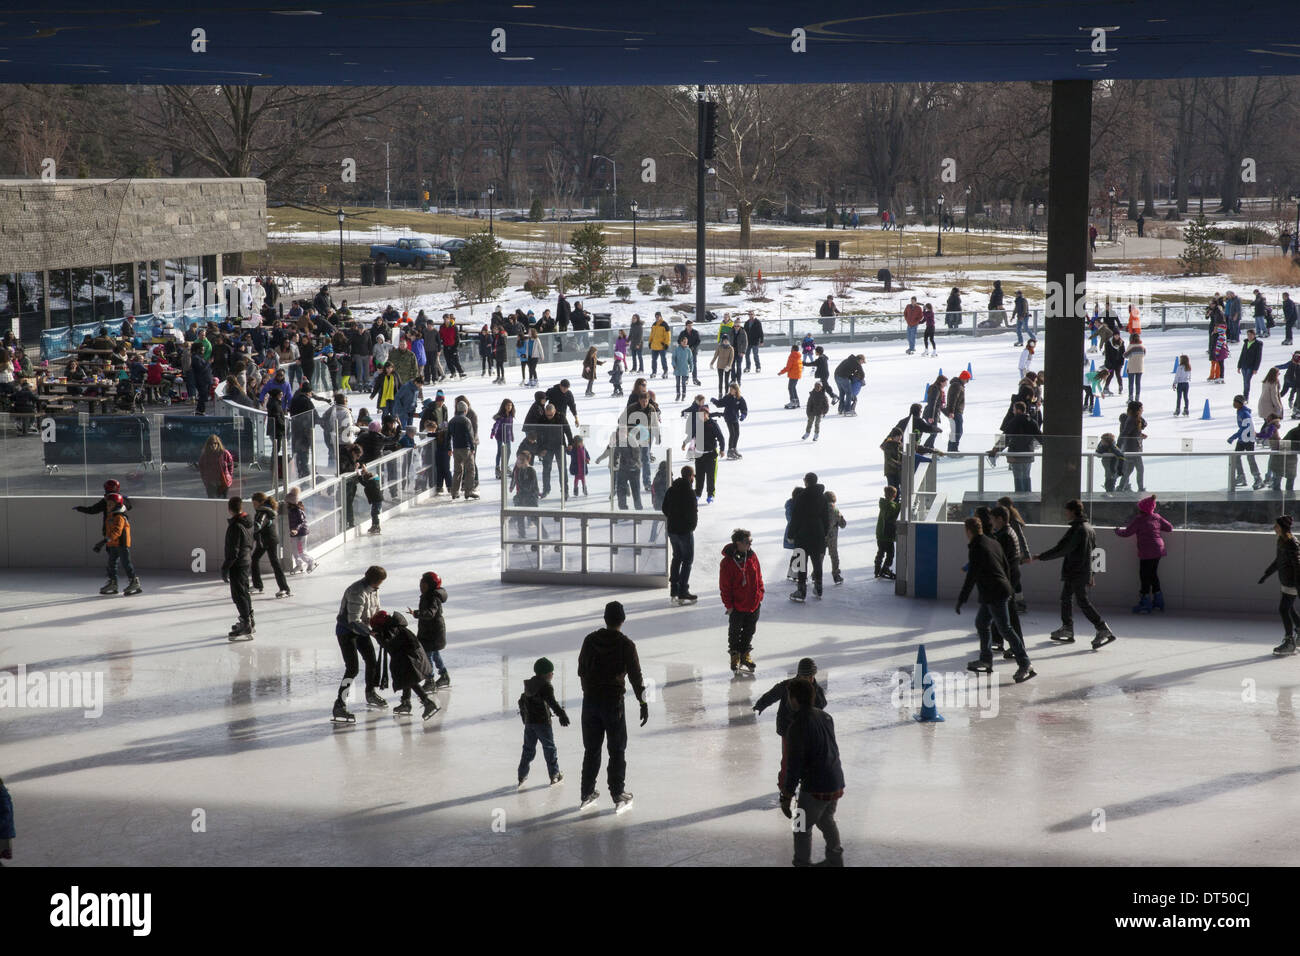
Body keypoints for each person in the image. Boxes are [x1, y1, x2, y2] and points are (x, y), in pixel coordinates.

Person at [576, 601, 648, 812]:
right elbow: (636, 677)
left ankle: (587, 791)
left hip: (590, 702)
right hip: (613, 704)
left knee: (591, 749)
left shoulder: (589, 641)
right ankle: (618, 794)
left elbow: (581, 670)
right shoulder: (626, 645)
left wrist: (589, 692)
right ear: (622, 620)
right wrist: (643, 703)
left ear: (605, 619)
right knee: (616, 749)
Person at [955, 517, 1035, 682]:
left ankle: (1025, 664)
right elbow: (1006, 565)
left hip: (995, 592)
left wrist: (961, 599)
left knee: (1005, 628)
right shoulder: (992, 542)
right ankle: (986, 660)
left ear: (968, 531)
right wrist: (1009, 586)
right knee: (982, 623)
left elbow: (971, 576)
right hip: (997, 589)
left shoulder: (977, 547)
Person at [1030, 499, 1116, 649]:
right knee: (1066, 598)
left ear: (1072, 511)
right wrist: (1092, 573)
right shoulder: (1089, 528)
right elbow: (1094, 552)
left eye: (1067, 511)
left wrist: (1040, 556)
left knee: (1081, 601)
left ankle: (1101, 628)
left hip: (1075, 571)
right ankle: (1068, 628)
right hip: (1080, 571)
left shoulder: (1078, 530)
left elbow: (1062, 549)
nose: (1065, 513)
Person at [779, 678, 845, 867]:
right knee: (826, 819)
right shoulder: (825, 717)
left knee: (800, 826)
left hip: (815, 787)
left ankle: (802, 863)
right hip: (836, 780)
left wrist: (787, 794)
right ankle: (835, 859)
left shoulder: (797, 727)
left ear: (794, 699)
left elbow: (794, 764)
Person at [330, 566, 388, 722]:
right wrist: (370, 632)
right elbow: (353, 620)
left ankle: (370, 693)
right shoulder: (357, 591)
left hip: (362, 630)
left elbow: (375, 610)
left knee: (372, 661)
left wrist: (380, 624)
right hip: (346, 632)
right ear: (374, 581)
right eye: (379, 583)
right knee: (352, 668)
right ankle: (339, 704)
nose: (380, 586)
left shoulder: (373, 589)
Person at [517, 657, 570, 787]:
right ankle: (555, 775)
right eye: (551, 672)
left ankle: (522, 774)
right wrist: (561, 714)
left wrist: (526, 718)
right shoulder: (546, 686)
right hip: (542, 723)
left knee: (528, 749)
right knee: (549, 748)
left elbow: (522, 701)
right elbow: (552, 702)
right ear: (546, 673)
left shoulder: (530, 684)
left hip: (530, 724)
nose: (553, 674)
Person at [1115, 494, 1172, 614]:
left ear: (1141, 509)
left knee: (1144, 575)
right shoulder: (1157, 517)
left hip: (1147, 551)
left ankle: (1145, 602)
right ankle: (1158, 600)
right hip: (1158, 549)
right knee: (1153, 574)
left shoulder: (1139, 519)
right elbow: (1169, 528)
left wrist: (1117, 531)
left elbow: (1127, 533)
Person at [719, 528, 765, 673]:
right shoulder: (727, 562)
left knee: (749, 631)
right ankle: (735, 655)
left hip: (753, 603)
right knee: (734, 632)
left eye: (751, 541)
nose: (749, 545)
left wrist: (760, 593)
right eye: (747, 542)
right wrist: (729, 605)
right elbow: (724, 586)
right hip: (737, 605)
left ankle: (745, 655)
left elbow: (759, 576)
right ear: (738, 543)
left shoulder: (752, 556)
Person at [753, 658, 826, 736]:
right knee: (789, 747)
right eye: (805, 677)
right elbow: (773, 694)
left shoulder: (817, 690)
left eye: (811, 676)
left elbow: (822, 705)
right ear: (800, 675)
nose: (809, 680)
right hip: (787, 727)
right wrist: (761, 704)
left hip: (807, 729)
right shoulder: (788, 685)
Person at [1260, 515, 1300, 655]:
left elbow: (1297, 565)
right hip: (1286, 580)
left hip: (1292, 582)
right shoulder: (1281, 541)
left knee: (1284, 609)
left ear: (1283, 527)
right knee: (1289, 609)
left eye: (1276, 526)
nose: (1274, 528)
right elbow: (1279, 561)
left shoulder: (1291, 543)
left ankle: (1289, 641)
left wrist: (1298, 585)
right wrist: (1267, 573)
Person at [789, 472, 830, 602]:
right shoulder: (822, 497)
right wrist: (825, 532)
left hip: (803, 532)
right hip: (817, 531)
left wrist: (791, 533)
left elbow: (795, 517)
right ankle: (818, 587)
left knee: (802, 560)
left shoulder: (801, 497)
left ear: (806, 481)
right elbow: (826, 517)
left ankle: (801, 590)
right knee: (817, 560)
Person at [221, 496, 256, 640]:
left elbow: (233, 551)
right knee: (243, 592)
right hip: (245, 560)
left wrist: (225, 568)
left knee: (239, 594)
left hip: (238, 564)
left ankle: (246, 623)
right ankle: (248, 620)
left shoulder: (235, 526)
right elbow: (249, 544)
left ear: (229, 509)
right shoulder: (245, 523)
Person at [662, 465, 698, 605]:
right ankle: (683, 590)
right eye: (693, 476)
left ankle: (674, 590)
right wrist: (691, 527)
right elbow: (693, 513)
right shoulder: (689, 492)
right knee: (687, 560)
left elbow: (664, 508)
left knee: (677, 558)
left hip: (672, 530)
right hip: (684, 532)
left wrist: (672, 518)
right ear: (690, 476)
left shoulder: (671, 490)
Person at [249, 492, 291, 599]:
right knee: (255, 559)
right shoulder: (265, 510)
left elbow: (259, 523)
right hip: (265, 540)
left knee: (274, 563)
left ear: (260, 502)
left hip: (269, 540)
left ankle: (285, 589)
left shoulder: (263, 512)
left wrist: (255, 530)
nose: (254, 506)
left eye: (254, 503)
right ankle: (258, 585)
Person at [1228, 394, 1264, 490]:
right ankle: (1241, 476)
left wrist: (1233, 437)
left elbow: (1246, 428)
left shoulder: (1245, 413)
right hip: (1242, 438)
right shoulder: (1239, 411)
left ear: (1240, 403)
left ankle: (1257, 478)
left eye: (1235, 402)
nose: (1233, 403)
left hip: (1248, 439)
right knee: (1236, 457)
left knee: (1250, 458)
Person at [285, 487, 317, 574]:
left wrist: (296, 529)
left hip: (301, 533)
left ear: (291, 503)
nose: (285, 503)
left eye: (287, 502)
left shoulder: (298, 511)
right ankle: (299, 565)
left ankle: (311, 562)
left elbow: (301, 522)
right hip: (294, 533)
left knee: (301, 551)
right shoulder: (290, 510)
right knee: (294, 551)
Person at [874, 486, 900, 579]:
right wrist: (902, 504)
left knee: (880, 552)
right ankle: (885, 569)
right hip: (887, 535)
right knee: (890, 554)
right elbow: (895, 509)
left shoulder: (883, 504)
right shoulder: (891, 506)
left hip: (880, 534)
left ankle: (877, 569)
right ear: (895, 495)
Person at [824, 491, 847, 585]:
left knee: (819, 556)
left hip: (821, 535)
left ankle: (815, 574)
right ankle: (836, 575)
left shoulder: (821, 509)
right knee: (834, 556)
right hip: (832, 537)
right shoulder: (836, 510)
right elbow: (843, 524)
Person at [1238, 328, 1262, 399]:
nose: (1249, 336)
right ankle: (1245, 396)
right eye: (1248, 335)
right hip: (1244, 365)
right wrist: (1239, 366)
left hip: (1251, 366)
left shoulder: (1258, 344)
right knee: (1245, 381)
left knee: (1247, 381)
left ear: (1254, 335)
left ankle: (1245, 396)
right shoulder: (1246, 343)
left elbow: (1258, 357)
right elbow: (1242, 354)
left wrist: (1256, 368)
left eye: (1251, 335)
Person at [778, 344, 803, 408]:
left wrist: (781, 372)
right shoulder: (798, 355)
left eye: (791, 348)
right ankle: (796, 401)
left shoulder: (792, 356)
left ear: (793, 349)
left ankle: (793, 402)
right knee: (793, 387)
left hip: (793, 374)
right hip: (797, 374)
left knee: (790, 388)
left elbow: (788, 367)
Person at [649, 313, 672, 378]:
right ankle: (654, 372)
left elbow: (668, 335)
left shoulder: (664, 324)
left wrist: (667, 344)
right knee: (653, 360)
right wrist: (650, 342)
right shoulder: (654, 325)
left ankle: (665, 372)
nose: (657, 318)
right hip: (654, 346)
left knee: (663, 359)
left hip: (662, 346)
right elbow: (652, 335)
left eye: (658, 316)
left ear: (661, 316)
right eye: (656, 317)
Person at [671, 334, 693, 401]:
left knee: (683, 383)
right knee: (677, 383)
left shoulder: (688, 350)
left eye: (686, 342)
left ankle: (684, 394)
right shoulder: (677, 350)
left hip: (685, 369)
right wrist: (674, 365)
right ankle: (678, 394)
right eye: (684, 342)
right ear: (681, 342)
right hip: (677, 368)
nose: (685, 343)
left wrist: (691, 367)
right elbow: (673, 358)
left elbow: (690, 360)